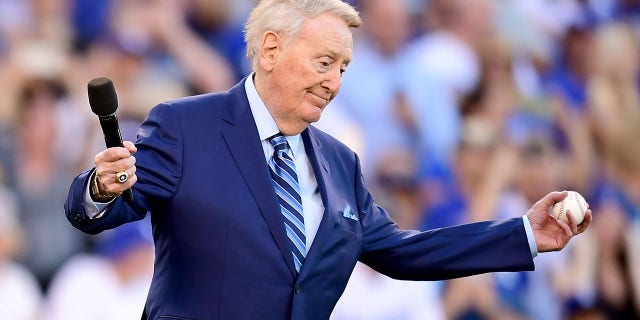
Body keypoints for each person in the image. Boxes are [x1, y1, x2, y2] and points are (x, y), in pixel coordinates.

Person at [64, 1, 592, 319]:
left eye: (343, 67)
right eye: (323, 62)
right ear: (270, 50)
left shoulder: (341, 163)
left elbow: (404, 252)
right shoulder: (185, 125)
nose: (334, 82)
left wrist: (525, 233)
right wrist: (101, 188)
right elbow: (111, 204)